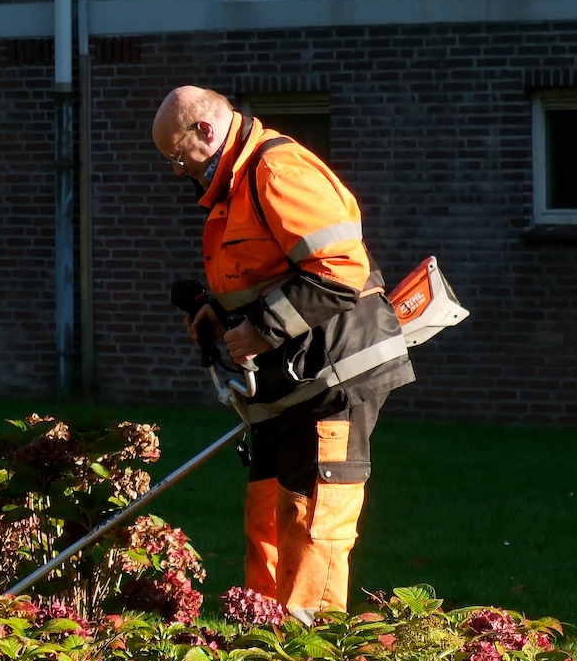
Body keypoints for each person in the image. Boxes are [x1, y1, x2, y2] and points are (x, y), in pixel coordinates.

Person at [152, 87, 412, 620]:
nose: (179, 172)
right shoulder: (235, 187)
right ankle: (260, 645)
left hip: (334, 379)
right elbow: (266, 277)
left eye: (178, 156)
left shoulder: (277, 171)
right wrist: (219, 316)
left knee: (311, 525)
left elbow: (340, 270)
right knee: (267, 521)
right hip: (291, 386)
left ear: (206, 131)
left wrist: (264, 329)